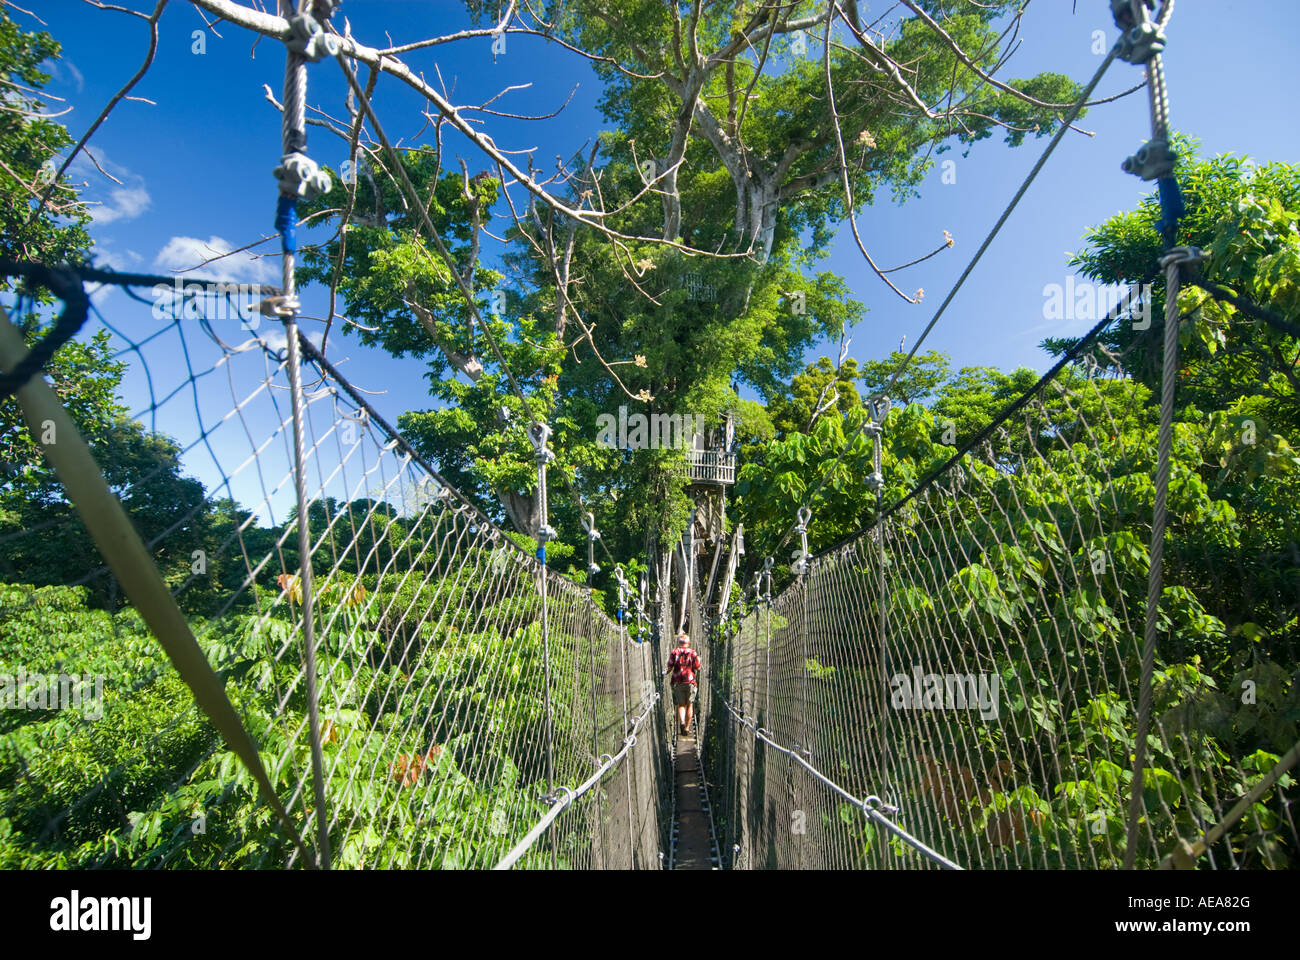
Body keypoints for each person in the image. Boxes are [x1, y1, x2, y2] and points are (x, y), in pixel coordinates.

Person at [667, 632, 701, 737]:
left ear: (680, 642)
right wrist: (698, 661)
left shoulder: (674, 652)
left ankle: (681, 721)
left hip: (678, 681)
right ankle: (686, 728)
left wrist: (664, 673)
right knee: (690, 704)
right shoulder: (693, 653)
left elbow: (669, 667)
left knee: (681, 705)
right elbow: (697, 667)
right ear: (689, 643)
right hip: (690, 682)